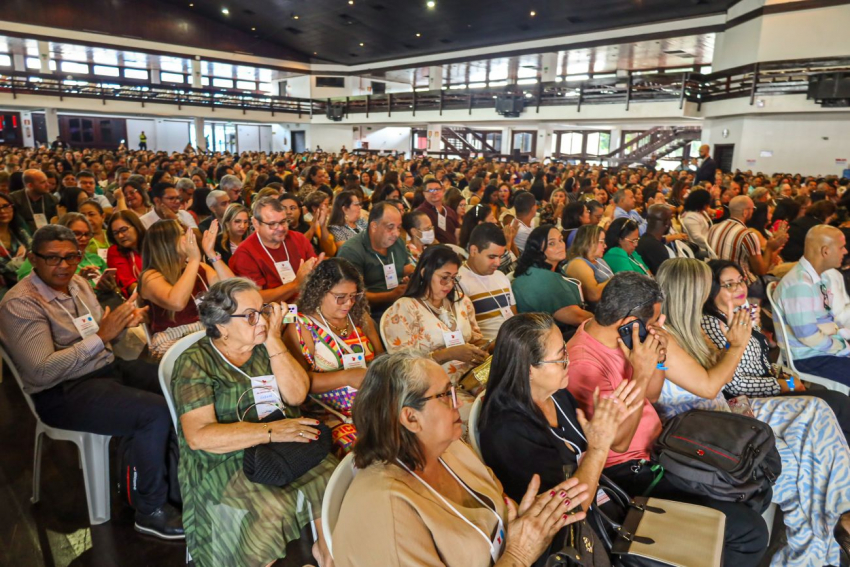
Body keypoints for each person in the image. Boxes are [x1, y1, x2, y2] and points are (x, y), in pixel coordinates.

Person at [566, 271, 770, 566]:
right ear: (628, 324)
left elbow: (650, 396)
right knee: (749, 531)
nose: (659, 327)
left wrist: (657, 359)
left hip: (660, 447)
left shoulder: (628, 339)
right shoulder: (584, 362)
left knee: (755, 482)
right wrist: (642, 371)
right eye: (653, 323)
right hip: (628, 470)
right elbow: (619, 443)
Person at [657, 258, 850, 567]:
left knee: (818, 410)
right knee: (805, 465)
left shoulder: (696, 325)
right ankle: (815, 550)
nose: (733, 289)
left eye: (738, 282)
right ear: (693, 293)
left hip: (725, 414)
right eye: (721, 285)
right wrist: (739, 347)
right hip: (706, 431)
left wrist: (750, 337)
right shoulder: (669, 336)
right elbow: (713, 384)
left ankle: (839, 517)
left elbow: (734, 373)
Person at [0, 225, 183, 539]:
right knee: (154, 412)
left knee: (177, 380)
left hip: (104, 369)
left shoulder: (79, 284)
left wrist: (124, 323)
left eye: (71, 257)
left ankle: (187, 481)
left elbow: (103, 337)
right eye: (53, 258)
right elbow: (42, 371)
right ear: (33, 258)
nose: (64, 265)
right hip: (61, 392)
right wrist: (103, 335)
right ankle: (150, 509)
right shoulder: (21, 304)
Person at [332, 351, 590, 567]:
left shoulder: (449, 449)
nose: (457, 403)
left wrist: (523, 524)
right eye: (445, 396)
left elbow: (496, 505)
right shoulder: (386, 511)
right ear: (410, 418)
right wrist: (518, 556)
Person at [171, 278, 336, 567]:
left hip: (276, 447)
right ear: (221, 325)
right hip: (223, 459)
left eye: (264, 310)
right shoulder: (195, 362)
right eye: (251, 315)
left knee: (329, 475)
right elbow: (199, 436)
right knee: (273, 505)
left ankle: (328, 554)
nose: (262, 320)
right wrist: (270, 431)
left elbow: (296, 396)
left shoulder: (263, 346)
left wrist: (272, 339)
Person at [479, 313, 643, 560]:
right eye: (560, 358)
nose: (570, 362)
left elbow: (608, 449)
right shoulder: (508, 431)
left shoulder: (556, 395)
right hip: (569, 542)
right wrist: (599, 448)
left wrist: (608, 426)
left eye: (566, 352)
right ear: (528, 369)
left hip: (600, 512)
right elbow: (569, 509)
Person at [703, 259, 850, 438]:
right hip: (743, 403)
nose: (739, 288)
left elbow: (763, 363)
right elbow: (733, 384)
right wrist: (779, 385)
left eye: (741, 280)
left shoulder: (741, 314)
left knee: (836, 403)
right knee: (838, 404)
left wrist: (788, 379)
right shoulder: (712, 326)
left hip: (768, 387)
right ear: (711, 290)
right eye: (729, 285)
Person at [284, 258, 383, 454]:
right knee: (366, 448)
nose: (349, 303)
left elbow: (381, 359)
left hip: (372, 403)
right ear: (320, 292)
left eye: (354, 296)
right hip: (331, 413)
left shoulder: (360, 318)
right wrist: (345, 377)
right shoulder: (301, 327)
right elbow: (299, 384)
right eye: (340, 297)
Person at [382, 245, 488, 385]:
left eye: (454, 278)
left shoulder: (462, 301)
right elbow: (402, 365)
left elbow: (476, 340)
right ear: (425, 273)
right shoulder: (405, 308)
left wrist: (490, 346)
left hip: (471, 377)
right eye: (444, 278)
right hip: (432, 386)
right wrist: (449, 354)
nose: (449, 284)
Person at [140, 219, 234, 357]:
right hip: (173, 340)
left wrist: (211, 253)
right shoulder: (150, 277)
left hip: (207, 332)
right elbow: (177, 302)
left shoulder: (200, 268)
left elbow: (234, 291)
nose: (190, 237)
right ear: (167, 242)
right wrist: (194, 260)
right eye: (183, 233)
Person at [776, 224, 850, 387]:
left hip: (821, 351)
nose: (845, 252)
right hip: (807, 357)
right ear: (825, 251)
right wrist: (843, 348)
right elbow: (808, 336)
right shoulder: (800, 284)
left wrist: (844, 337)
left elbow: (829, 321)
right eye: (842, 247)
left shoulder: (821, 278)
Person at [229, 196, 321, 303]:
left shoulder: (298, 239)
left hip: (307, 305)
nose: (281, 228)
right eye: (272, 224)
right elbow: (256, 298)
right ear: (256, 223)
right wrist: (295, 285)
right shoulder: (245, 253)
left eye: (283, 222)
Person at [337, 201, 414, 323]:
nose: (396, 233)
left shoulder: (397, 242)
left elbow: (404, 267)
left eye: (399, 227)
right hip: (370, 313)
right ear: (374, 226)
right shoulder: (351, 251)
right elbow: (353, 296)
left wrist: (418, 273)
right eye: (390, 227)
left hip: (402, 304)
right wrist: (390, 296)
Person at [512, 225, 591, 339]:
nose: (560, 246)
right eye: (552, 243)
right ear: (538, 249)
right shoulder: (542, 278)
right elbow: (578, 317)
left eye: (561, 240)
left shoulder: (536, 270)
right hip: (543, 341)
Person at [708, 196, 787, 296]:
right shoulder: (747, 235)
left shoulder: (714, 228)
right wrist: (770, 248)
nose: (753, 212)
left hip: (716, 280)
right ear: (745, 212)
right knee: (785, 285)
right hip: (741, 285)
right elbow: (761, 271)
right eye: (752, 209)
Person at [457, 223, 516, 342]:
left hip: (513, 342)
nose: (498, 263)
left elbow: (513, 316)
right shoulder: (459, 281)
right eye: (492, 257)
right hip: (489, 351)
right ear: (474, 250)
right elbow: (467, 335)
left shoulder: (500, 276)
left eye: (500, 256)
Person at [562, 224, 612, 306]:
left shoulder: (599, 260)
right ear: (589, 242)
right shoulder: (577, 264)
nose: (605, 246)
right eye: (601, 242)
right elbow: (594, 295)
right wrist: (616, 278)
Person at [106, 210, 146, 298]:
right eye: (115, 233)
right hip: (140, 299)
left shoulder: (152, 243)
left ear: (136, 226)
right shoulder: (115, 251)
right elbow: (128, 284)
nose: (120, 236)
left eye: (124, 230)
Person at [0, 191, 31, 295]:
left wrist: (27, 253)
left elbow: (35, 253)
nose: (3, 211)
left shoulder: (20, 233)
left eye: (6, 206)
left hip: (27, 285)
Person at [11, 169, 58, 233]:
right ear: (30, 186)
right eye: (43, 182)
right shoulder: (14, 200)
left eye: (47, 181)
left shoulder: (52, 199)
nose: (48, 185)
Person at [636, 204, 678, 275]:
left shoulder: (644, 240)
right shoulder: (656, 248)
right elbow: (667, 278)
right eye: (670, 219)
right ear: (667, 223)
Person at [417, 177, 460, 245]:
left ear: (443, 190)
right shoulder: (420, 212)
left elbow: (457, 232)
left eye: (437, 189)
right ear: (424, 193)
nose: (434, 192)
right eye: (430, 190)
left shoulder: (449, 210)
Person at [680, 188, 715, 257]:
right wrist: (714, 243)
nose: (708, 205)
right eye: (707, 203)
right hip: (699, 249)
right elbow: (697, 237)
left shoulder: (699, 212)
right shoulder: (691, 217)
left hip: (706, 245)